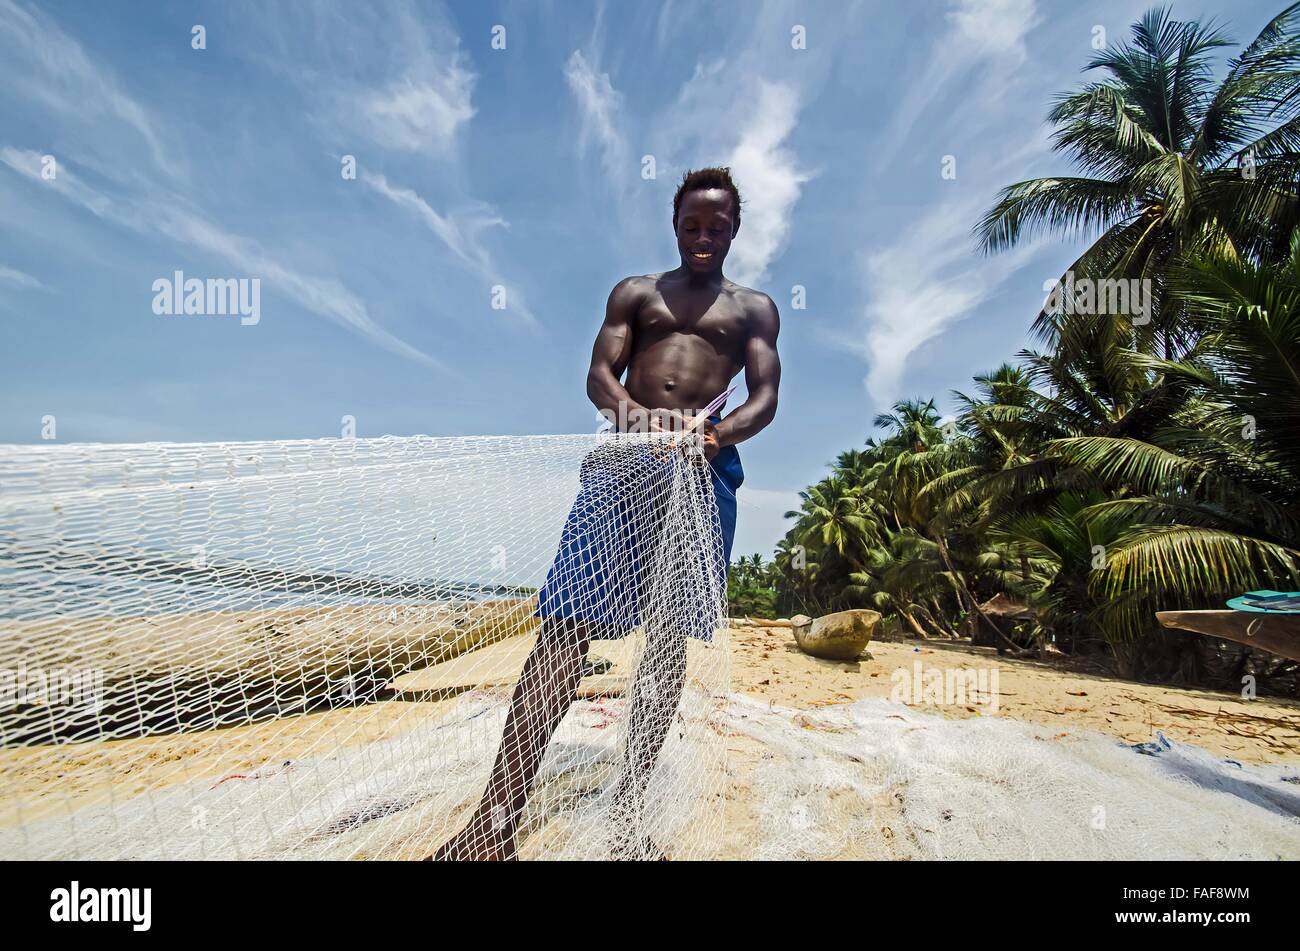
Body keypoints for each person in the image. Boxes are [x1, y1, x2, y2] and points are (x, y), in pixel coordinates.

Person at [433, 166, 781, 860]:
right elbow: (599, 374)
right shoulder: (636, 292)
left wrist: (712, 436)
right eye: (691, 224)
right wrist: (638, 418)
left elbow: (765, 398)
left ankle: (628, 815)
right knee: (564, 627)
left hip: (703, 475)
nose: (703, 236)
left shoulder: (754, 310)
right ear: (675, 224)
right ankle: (495, 822)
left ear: (734, 230)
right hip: (623, 468)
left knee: (667, 638)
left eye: (717, 226)